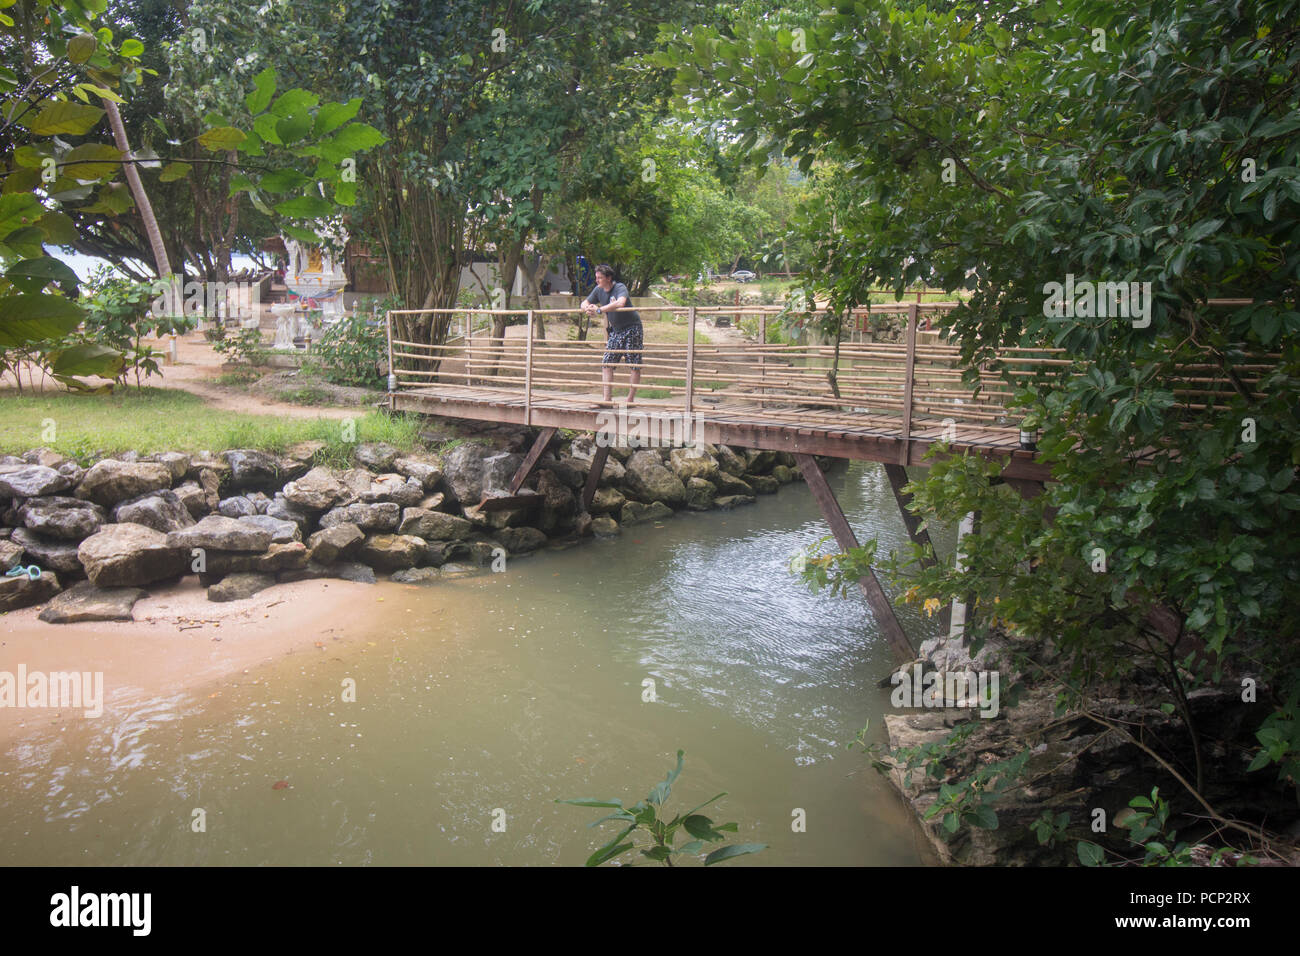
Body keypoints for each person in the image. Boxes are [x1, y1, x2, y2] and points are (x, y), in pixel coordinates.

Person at [582, 264, 642, 403]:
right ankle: (607, 400)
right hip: (616, 330)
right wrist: (588, 308)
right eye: (596, 277)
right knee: (607, 362)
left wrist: (599, 310)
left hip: (632, 328)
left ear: (608, 278)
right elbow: (583, 302)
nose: (597, 280)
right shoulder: (598, 290)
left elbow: (621, 303)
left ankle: (630, 400)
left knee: (634, 363)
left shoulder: (620, 287)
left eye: (600, 278)